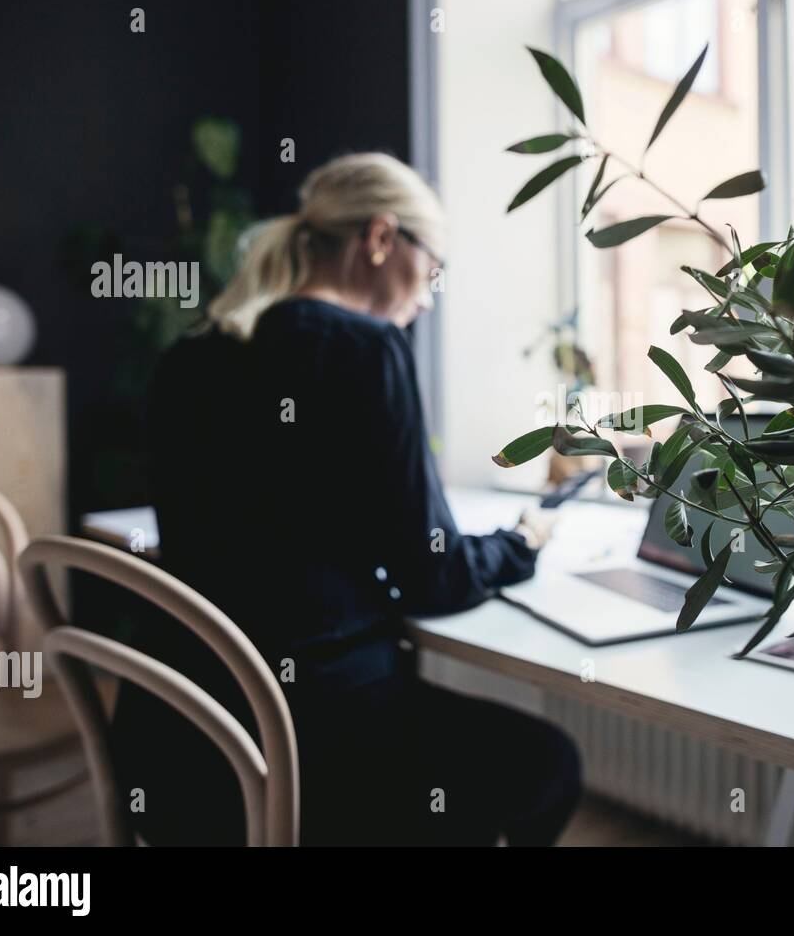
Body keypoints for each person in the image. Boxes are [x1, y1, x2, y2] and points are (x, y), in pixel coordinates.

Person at [110, 152, 581, 845]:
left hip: (174, 744)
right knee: (550, 765)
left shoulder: (194, 352)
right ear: (382, 239)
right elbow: (434, 577)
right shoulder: (365, 349)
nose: (429, 294)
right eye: (434, 267)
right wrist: (519, 545)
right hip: (304, 755)